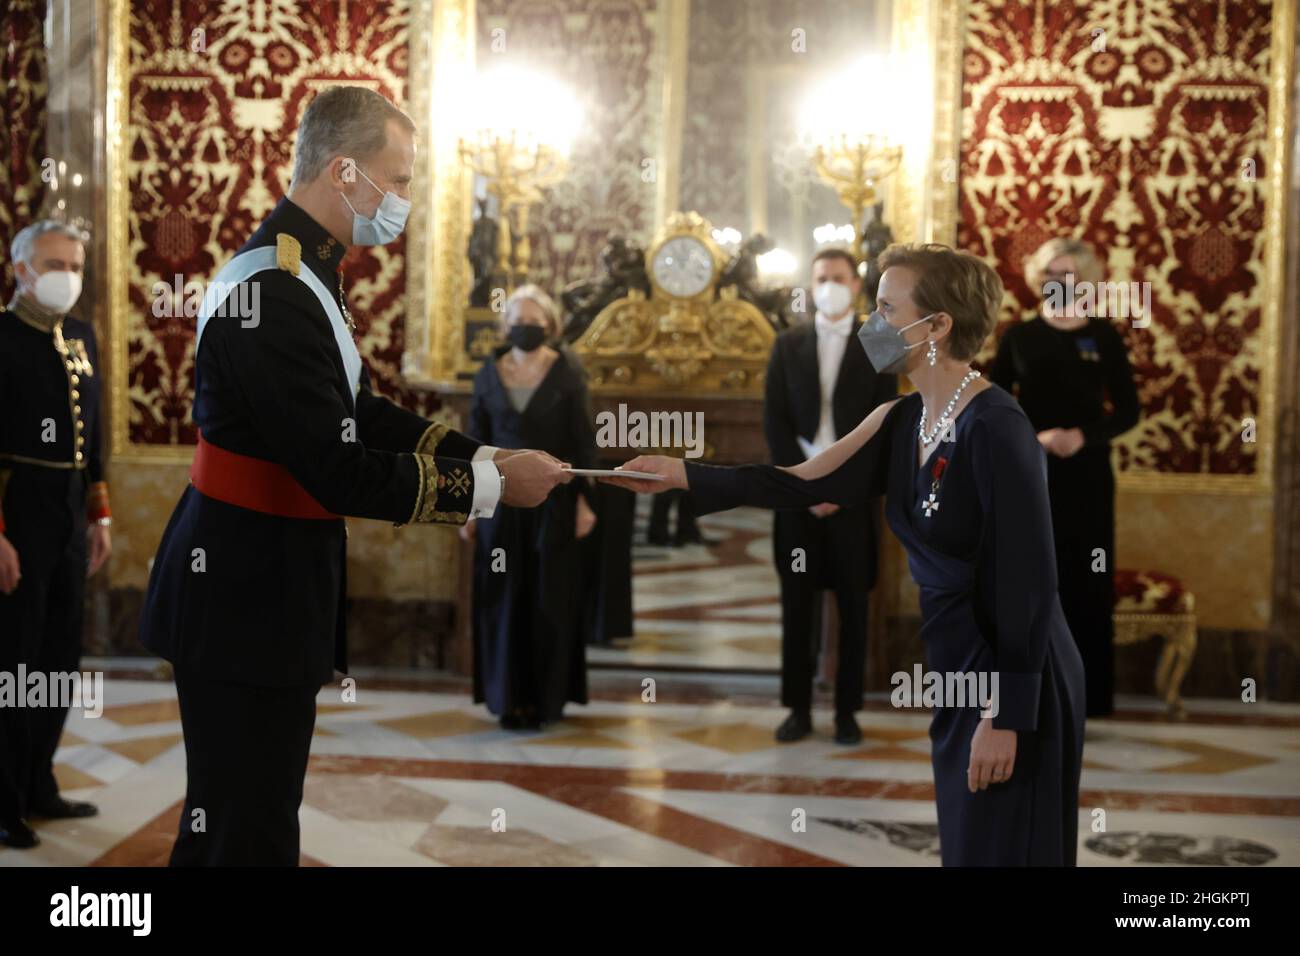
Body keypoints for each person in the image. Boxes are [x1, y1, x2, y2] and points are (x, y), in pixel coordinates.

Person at [138, 86, 571, 866]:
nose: (403, 198)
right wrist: (493, 489)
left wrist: (480, 457)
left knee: (250, 814)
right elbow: (338, 469)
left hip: (263, 584)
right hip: (241, 591)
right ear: (344, 171)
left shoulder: (305, 271)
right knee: (243, 828)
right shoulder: (272, 291)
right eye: (398, 179)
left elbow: (357, 412)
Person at [604, 243, 1086, 866]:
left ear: (938, 325)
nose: (872, 324)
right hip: (959, 670)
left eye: (887, 308)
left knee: (1005, 848)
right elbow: (799, 482)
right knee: (971, 845)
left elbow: (1030, 580)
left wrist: (1008, 713)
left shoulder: (998, 427)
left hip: (1013, 676)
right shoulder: (903, 417)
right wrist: (683, 475)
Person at [990, 238, 1139, 718]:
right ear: (1039, 277)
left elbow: (1129, 412)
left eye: (1070, 273)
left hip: (1089, 478)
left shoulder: (1105, 336)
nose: (1061, 281)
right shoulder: (1019, 337)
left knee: (1087, 580)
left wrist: (1083, 436)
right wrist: (1031, 438)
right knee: (1031, 580)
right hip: (1030, 477)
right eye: (1052, 272)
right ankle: (1029, 696)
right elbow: (994, 406)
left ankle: (1089, 699)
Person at [0, 220, 110, 849]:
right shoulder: (3, 337)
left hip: (68, 516)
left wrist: (100, 516)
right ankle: (4, 799)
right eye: (54, 262)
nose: (68, 273)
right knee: (13, 663)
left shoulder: (82, 336)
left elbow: (92, 436)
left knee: (58, 662)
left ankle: (40, 782)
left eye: (75, 263)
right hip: (17, 515)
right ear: (21, 269)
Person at [764, 247, 896, 744]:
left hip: (851, 501)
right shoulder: (787, 343)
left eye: (838, 277)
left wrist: (843, 488)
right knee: (796, 606)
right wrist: (802, 485)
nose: (829, 285)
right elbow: (773, 421)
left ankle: (847, 712)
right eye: (821, 277)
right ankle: (797, 708)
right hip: (797, 496)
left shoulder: (878, 342)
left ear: (857, 285)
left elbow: (886, 422)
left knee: (853, 606)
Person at [461, 284, 596, 728]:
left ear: (550, 327)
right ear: (506, 326)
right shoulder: (488, 372)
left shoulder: (568, 372)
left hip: (554, 503)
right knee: (503, 597)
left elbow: (583, 444)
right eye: (518, 322)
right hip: (499, 502)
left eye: (535, 324)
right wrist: (471, 508)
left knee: (548, 598)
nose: (525, 329)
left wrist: (583, 502)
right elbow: (474, 446)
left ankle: (546, 699)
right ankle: (507, 698)